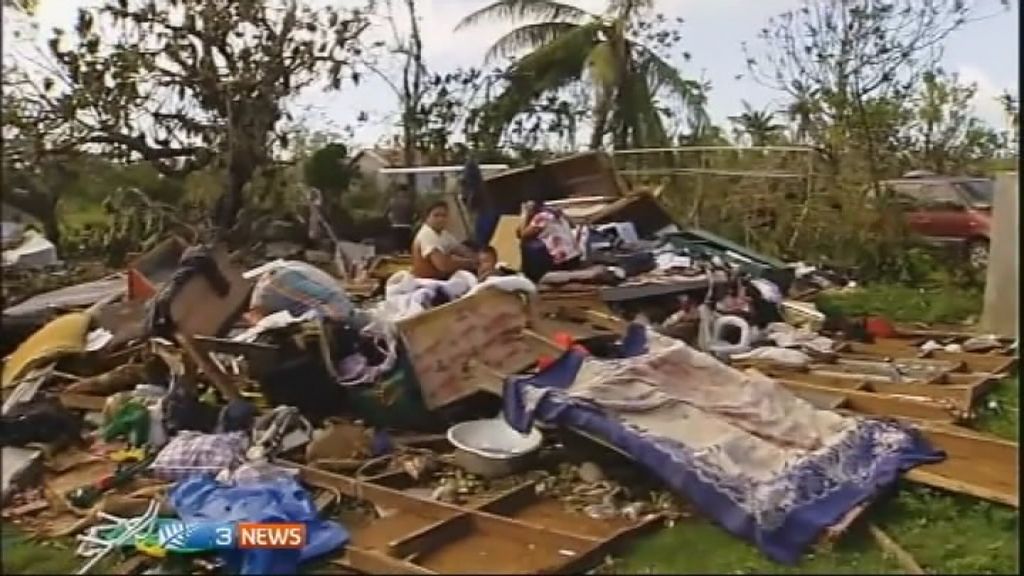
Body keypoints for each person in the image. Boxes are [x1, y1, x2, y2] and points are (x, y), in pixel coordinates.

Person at [517, 200, 582, 282]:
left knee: (527, 245)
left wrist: (524, 214)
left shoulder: (542, 217)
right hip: (573, 256)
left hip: (560, 260)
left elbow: (523, 235)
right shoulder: (556, 214)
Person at [411, 201, 477, 280]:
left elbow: (460, 249)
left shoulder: (443, 233)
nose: (440, 219)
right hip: (428, 282)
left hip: (441, 280)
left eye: (444, 215)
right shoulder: (427, 235)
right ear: (427, 218)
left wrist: (478, 258)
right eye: (436, 215)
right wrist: (469, 263)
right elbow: (443, 265)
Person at [386, 184, 415, 253]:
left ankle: (397, 258)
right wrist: (412, 221)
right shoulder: (409, 202)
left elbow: (387, 213)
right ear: (406, 192)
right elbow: (415, 214)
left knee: (396, 246)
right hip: (407, 226)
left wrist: (391, 220)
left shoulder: (392, 201)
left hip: (395, 225)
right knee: (405, 246)